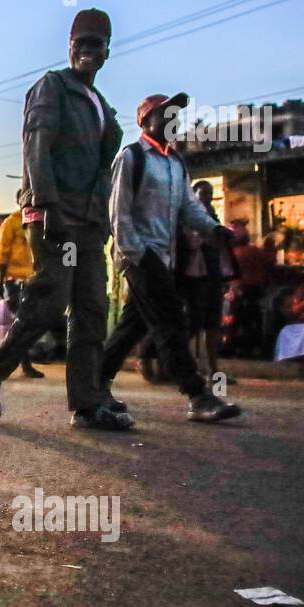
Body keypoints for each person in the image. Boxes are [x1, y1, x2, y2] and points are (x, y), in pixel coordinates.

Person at [0, 8, 127, 429]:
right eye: (81, 44)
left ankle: (88, 403)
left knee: (93, 309)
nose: (88, 52)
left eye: (96, 45)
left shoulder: (101, 105)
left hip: (90, 223)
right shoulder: (52, 87)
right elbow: (35, 145)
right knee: (47, 304)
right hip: (53, 215)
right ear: (70, 46)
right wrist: (47, 205)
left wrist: (105, 220)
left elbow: (103, 167)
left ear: (107, 52)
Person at [98, 93, 242, 422]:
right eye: (166, 114)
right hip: (140, 256)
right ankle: (197, 395)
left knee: (132, 327)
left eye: (176, 115)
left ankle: (95, 382)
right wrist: (137, 254)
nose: (174, 120)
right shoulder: (131, 157)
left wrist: (213, 229)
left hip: (165, 258)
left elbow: (189, 208)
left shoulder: (175, 163)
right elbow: (118, 213)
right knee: (170, 321)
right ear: (146, 121)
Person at [180, 179, 237, 380]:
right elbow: (193, 240)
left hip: (212, 274)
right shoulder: (191, 216)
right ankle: (181, 365)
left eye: (209, 193)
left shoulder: (211, 214)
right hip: (196, 275)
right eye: (203, 193)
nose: (207, 197)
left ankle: (212, 369)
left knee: (212, 322)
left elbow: (218, 248)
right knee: (195, 321)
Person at [0, 197, 44, 378]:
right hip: (14, 280)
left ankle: (12, 361)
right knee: (22, 321)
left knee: (26, 322)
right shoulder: (11, 223)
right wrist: (1, 282)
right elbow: (2, 254)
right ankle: (14, 363)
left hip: (32, 279)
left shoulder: (37, 221)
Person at [230, 220, 276, 357]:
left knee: (239, 318)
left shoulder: (233, 253)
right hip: (255, 291)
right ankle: (253, 346)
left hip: (239, 291)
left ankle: (236, 345)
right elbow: (271, 261)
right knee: (252, 317)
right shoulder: (254, 251)